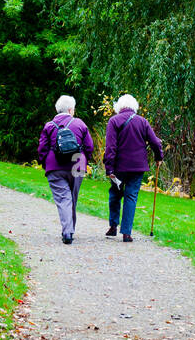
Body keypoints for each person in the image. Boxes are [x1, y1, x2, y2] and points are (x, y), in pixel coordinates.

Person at [103, 93, 163, 242]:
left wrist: (109, 168)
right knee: (131, 196)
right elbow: (155, 142)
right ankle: (126, 233)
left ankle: (113, 226)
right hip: (137, 167)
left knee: (115, 195)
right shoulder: (142, 122)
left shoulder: (114, 121)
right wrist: (159, 157)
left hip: (119, 167)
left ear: (119, 107)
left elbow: (110, 147)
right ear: (134, 107)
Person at [37, 94, 94, 244]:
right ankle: (70, 230)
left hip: (55, 167)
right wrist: (85, 159)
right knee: (71, 198)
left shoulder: (49, 126)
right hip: (77, 164)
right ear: (70, 110)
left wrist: (45, 163)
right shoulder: (80, 124)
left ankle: (67, 231)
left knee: (64, 199)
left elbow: (42, 149)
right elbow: (89, 147)